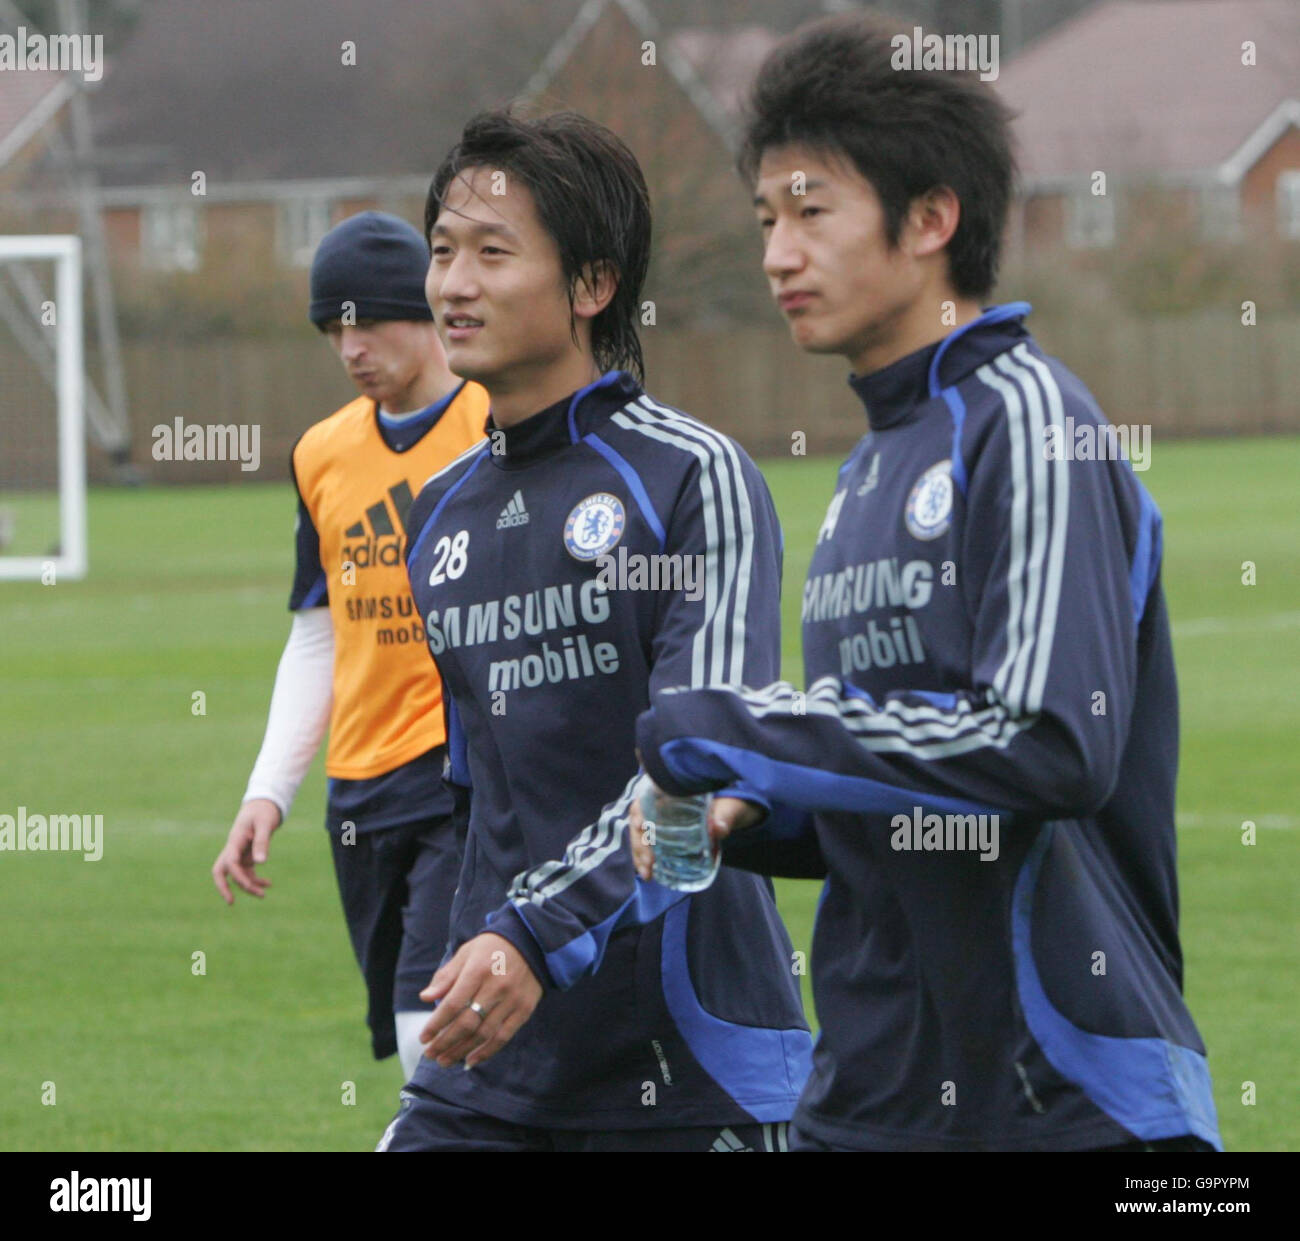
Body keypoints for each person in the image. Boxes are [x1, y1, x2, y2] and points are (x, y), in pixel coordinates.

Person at [631, 13, 1223, 1152]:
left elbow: (1050, 744)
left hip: (1063, 1093)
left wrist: (748, 727)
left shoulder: (1035, 425)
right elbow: (899, 784)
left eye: (810, 211)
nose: (776, 254)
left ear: (931, 219)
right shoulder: (866, 469)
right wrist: (760, 810)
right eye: (764, 219)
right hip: (872, 1098)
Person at [376, 110, 811, 1153]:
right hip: (489, 1067)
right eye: (441, 251)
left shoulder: (690, 479)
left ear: (591, 284)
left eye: (491, 251)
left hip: (686, 1059)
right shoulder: (435, 511)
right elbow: (478, 787)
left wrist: (539, 930)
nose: (453, 284)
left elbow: (698, 767)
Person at [211, 212, 488, 1079]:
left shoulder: (495, 422)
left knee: (432, 1020)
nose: (350, 344)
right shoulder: (321, 454)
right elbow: (317, 634)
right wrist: (268, 790)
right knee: (413, 1027)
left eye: (368, 319)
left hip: (461, 771)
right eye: (334, 325)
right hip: (361, 794)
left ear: (429, 310)